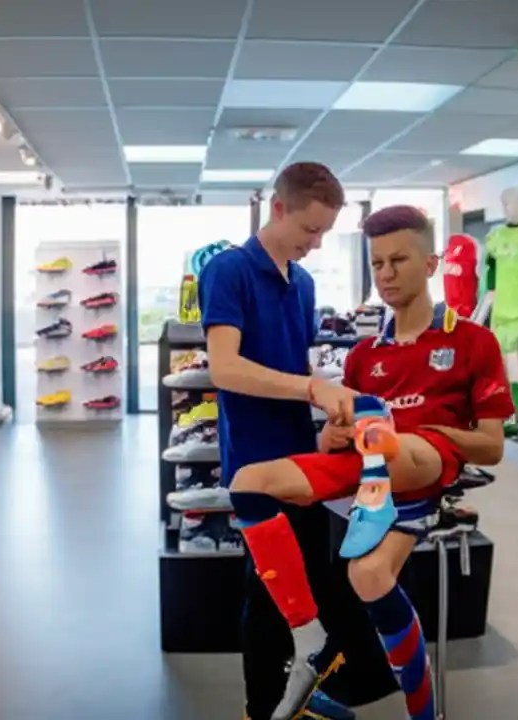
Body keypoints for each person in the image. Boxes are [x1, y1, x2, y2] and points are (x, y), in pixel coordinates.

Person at [228, 205, 514, 720]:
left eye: (398, 260)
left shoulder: (473, 340)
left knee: (389, 448)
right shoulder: (362, 357)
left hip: (425, 470)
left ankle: (421, 710)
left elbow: (491, 446)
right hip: (366, 471)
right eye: (377, 263)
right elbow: (330, 448)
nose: (385, 274)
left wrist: (425, 433)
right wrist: (334, 435)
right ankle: (307, 633)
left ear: (431, 264)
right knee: (251, 483)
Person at [200, 162, 367, 720]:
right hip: (254, 465)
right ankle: (262, 708)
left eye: (323, 233)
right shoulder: (229, 271)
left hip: (303, 459)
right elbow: (225, 369)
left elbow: (293, 369)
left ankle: (294, 699)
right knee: (268, 597)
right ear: (279, 209)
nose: (316, 243)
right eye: (309, 230)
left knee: (312, 592)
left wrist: (323, 425)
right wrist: (313, 386)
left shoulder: (305, 283)